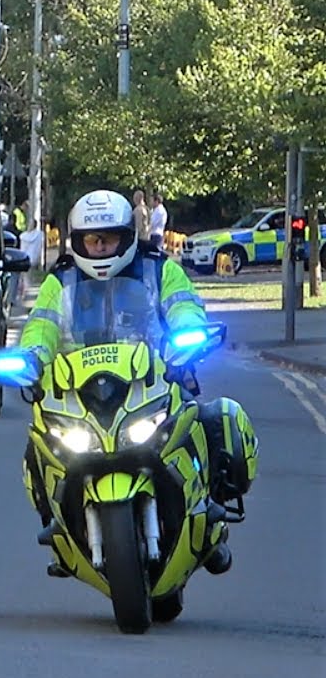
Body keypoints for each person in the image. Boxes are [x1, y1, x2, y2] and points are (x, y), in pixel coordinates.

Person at [17, 189, 255, 576]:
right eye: (91, 240)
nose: (99, 247)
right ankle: (59, 527)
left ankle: (212, 515)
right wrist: (31, 357)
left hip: (155, 383)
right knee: (37, 446)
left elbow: (183, 305)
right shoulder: (59, 281)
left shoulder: (160, 269)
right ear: (77, 240)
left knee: (215, 421)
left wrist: (189, 332)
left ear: (127, 236)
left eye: (108, 238)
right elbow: (42, 326)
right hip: (82, 395)